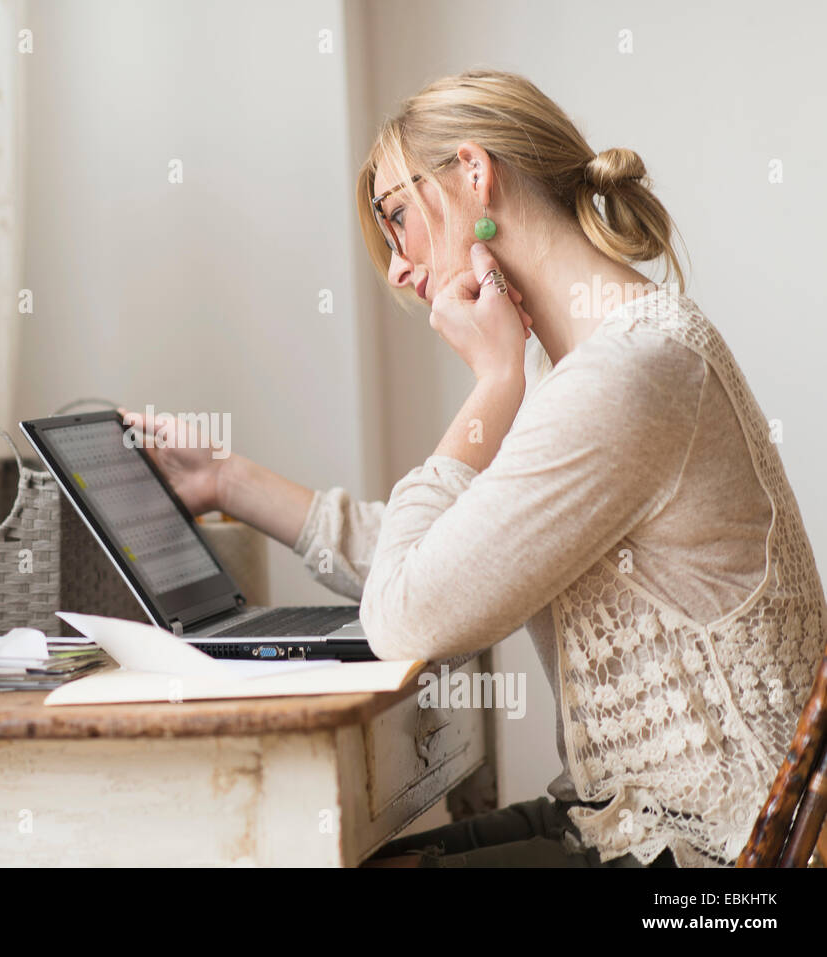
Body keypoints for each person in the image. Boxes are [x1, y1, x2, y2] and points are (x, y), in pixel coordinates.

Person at [120, 69, 827, 868]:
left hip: (711, 858)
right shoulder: (597, 364)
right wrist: (226, 481)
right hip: (630, 822)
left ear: (473, 172)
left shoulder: (629, 375)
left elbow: (405, 616)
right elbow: (445, 560)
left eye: (397, 217)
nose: (397, 268)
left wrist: (494, 383)